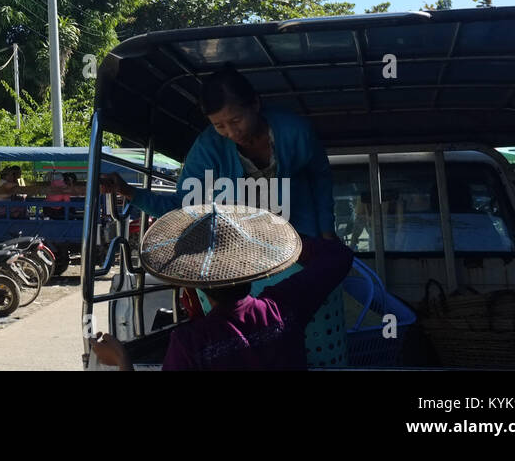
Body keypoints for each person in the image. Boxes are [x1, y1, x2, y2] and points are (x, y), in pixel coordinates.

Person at [98, 64, 345, 365]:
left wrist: (323, 234)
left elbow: (320, 175)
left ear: (255, 104)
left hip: (300, 242)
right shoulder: (207, 150)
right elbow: (183, 209)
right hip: (246, 251)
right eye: (220, 126)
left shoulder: (295, 132)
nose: (231, 132)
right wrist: (132, 194)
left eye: (236, 120)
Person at [90, 204, 354, 370]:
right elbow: (338, 256)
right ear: (253, 265)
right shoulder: (283, 308)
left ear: (197, 283)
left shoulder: (190, 343)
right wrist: (278, 246)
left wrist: (121, 361)